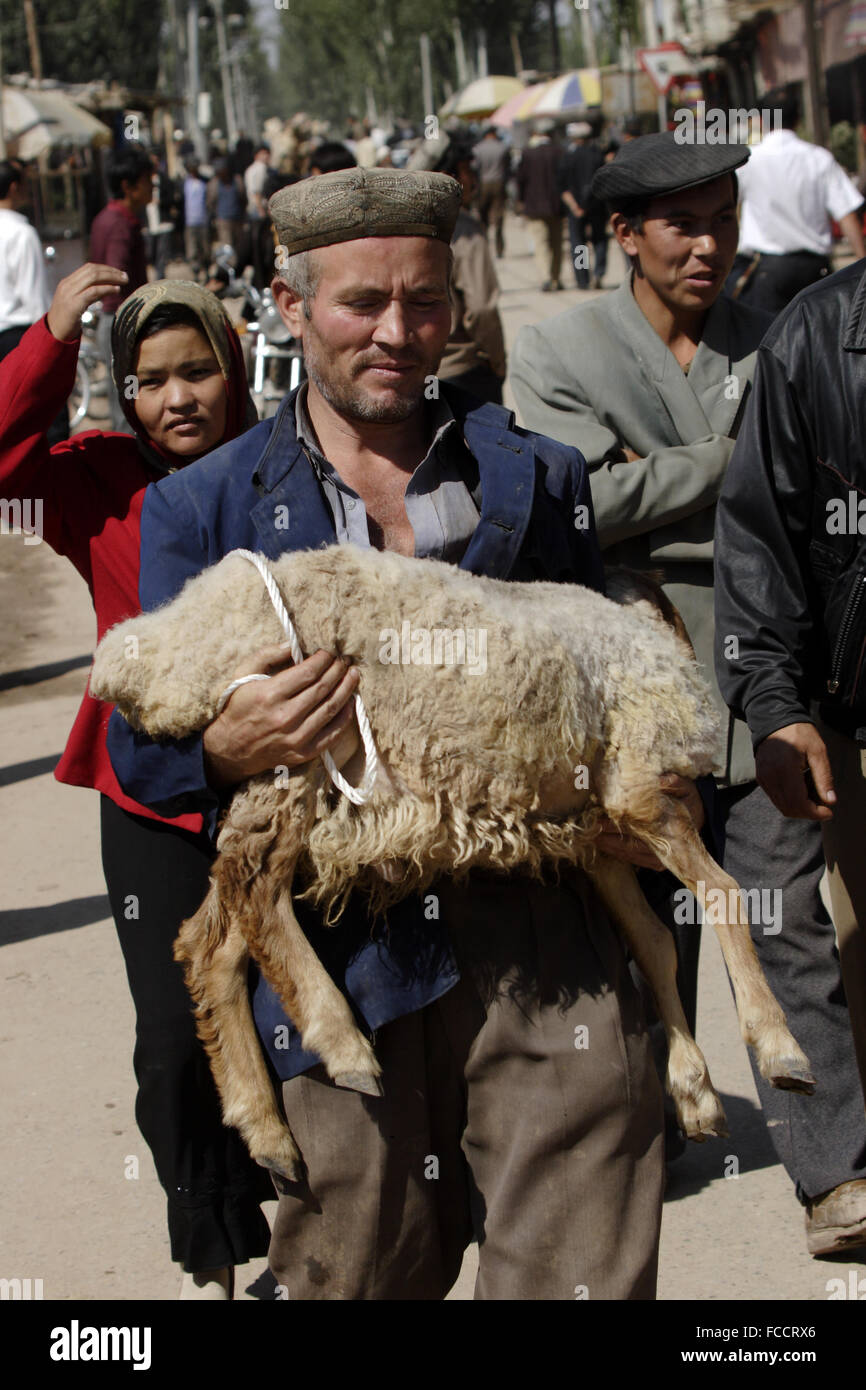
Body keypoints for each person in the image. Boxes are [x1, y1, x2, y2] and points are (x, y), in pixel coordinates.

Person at [105, 166, 688, 1301]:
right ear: (288, 306)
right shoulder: (205, 507)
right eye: (360, 303)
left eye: (423, 303)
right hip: (344, 955)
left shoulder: (535, 478)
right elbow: (138, 749)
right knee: (354, 1270)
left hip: (543, 938)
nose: (396, 333)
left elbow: (600, 665)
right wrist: (224, 745)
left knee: (580, 1267)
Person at [510, 131, 866, 1256]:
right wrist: (735, 458)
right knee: (635, 927)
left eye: (723, 218)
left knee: (780, 920)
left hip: (770, 678)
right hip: (624, 697)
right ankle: (638, 1141)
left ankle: (831, 1175)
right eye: (682, 224)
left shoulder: (780, 338)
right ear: (622, 235)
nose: (710, 244)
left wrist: (648, 480)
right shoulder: (560, 352)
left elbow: (800, 512)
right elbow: (574, 507)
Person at [0, 271, 269, 1296]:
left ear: (234, 366)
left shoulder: (285, 467)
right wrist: (53, 335)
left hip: (285, 783)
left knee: (292, 1008)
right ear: (121, 392)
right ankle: (209, 1233)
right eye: (150, 379)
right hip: (150, 794)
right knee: (173, 1035)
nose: (178, 397)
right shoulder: (97, 480)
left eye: (198, 368)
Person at [714, 259, 866, 1254]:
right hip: (844, 705)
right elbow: (761, 537)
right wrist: (774, 706)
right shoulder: (815, 337)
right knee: (824, 942)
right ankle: (840, 1169)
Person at [726, 88, 865, 313]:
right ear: (798, 118)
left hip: (766, 274)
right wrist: (862, 267)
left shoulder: (749, 161)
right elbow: (846, 214)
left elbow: (727, 209)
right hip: (815, 274)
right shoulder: (819, 158)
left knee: (767, 342)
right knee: (819, 343)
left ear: (761, 120)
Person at [410, 132, 506, 403]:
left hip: (415, 376)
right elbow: (482, 308)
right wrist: (498, 362)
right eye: (466, 171)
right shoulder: (465, 229)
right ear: (446, 177)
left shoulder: (403, 232)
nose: (472, 180)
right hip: (465, 373)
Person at [0, 158, 67, 445]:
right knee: (45, 419)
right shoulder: (21, 233)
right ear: (14, 187)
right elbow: (35, 297)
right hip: (20, 334)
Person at [88, 144, 153, 429]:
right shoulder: (119, 225)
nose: (152, 188)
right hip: (121, 322)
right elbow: (116, 275)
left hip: (113, 320)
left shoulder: (108, 217)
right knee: (129, 404)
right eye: (146, 182)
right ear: (128, 186)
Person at [515, 118, 564, 291]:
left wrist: (520, 201)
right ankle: (556, 278)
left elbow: (520, 179)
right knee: (556, 243)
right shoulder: (559, 151)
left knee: (540, 242)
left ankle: (546, 277)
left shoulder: (528, 153)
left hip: (534, 205)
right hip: (557, 206)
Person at [558, 122, 607, 291]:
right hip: (596, 205)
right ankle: (599, 273)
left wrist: (575, 206)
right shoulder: (597, 155)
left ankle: (582, 278)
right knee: (599, 239)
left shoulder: (568, 157)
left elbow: (562, 185)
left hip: (575, 207)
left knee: (579, 243)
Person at [473, 125, 508, 259]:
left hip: (483, 184)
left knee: (483, 218)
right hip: (499, 184)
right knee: (499, 217)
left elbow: (475, 168)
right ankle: (499, 248)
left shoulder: (478, 148)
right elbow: (507, 168)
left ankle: (484, 246)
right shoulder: (502, 147)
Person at [207, 159, 247, 260]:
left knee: (240, 245)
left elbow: (243, 198)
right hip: (223, 220)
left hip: (237, 219)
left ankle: (240, 264)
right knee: (227, 246)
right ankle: (230, 266)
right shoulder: (214, 183)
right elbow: (210, 202)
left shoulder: (237, 180)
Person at [183, 159, 211, 277]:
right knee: (192, 249)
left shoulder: (204, 181)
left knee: (204, 249)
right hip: (190, 221)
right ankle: (195, 272)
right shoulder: (185, 183)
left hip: (203, 220)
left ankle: (206, 271)